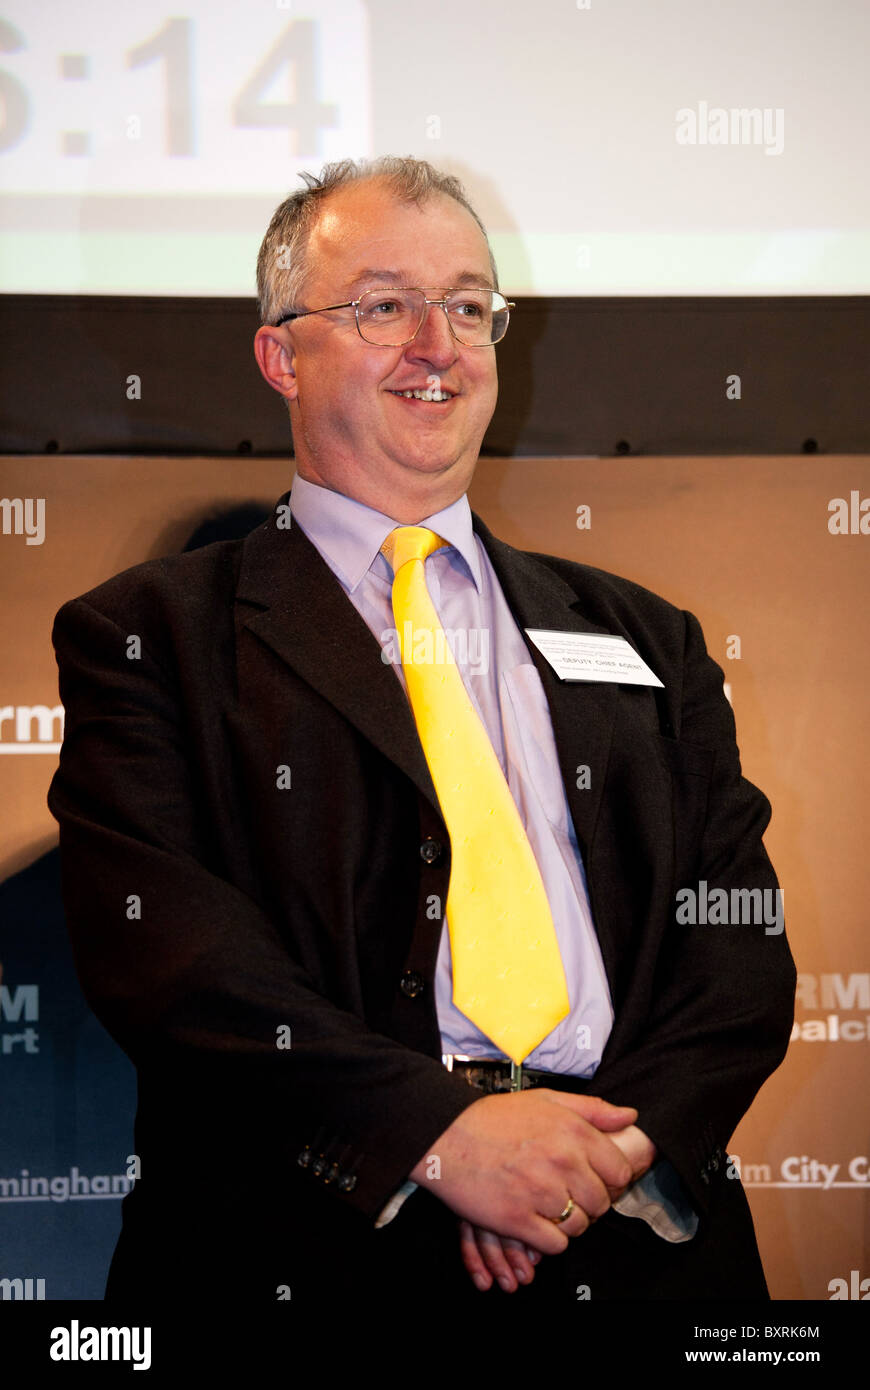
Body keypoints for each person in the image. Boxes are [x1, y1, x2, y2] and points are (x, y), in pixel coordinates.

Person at [47, 156, 796, 1308]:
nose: (436, 344)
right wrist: (446, 1141)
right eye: (385, 305)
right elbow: (178, 964)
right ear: (281, 355)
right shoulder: (150, 635)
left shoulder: (648, 636)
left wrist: (593, 1165)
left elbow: (737, 950)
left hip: (634, 1240)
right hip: (315, 1246)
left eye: (466, 307)